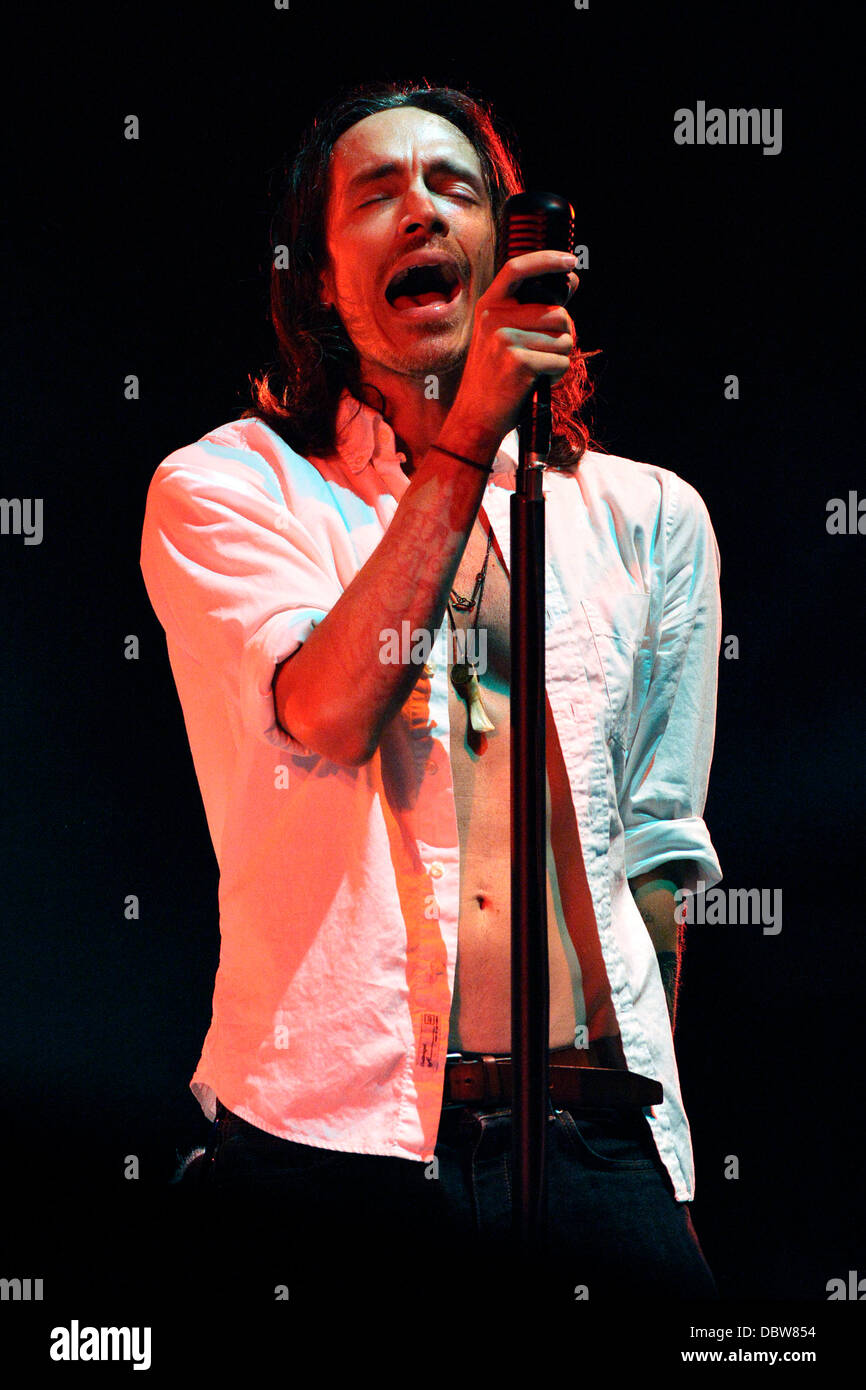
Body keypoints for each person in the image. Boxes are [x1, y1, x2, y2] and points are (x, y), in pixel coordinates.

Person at [141, 81, 723, 1305]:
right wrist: (462, 442)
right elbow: (329, 710)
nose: (420, 210)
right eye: (376, 193)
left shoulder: (648, 518)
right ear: (317, 274)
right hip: (329, 1141)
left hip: (592, 1134)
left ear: (504, 249)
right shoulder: (230, 490)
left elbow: (659, 858)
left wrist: (659, 1155)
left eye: (453, 188)